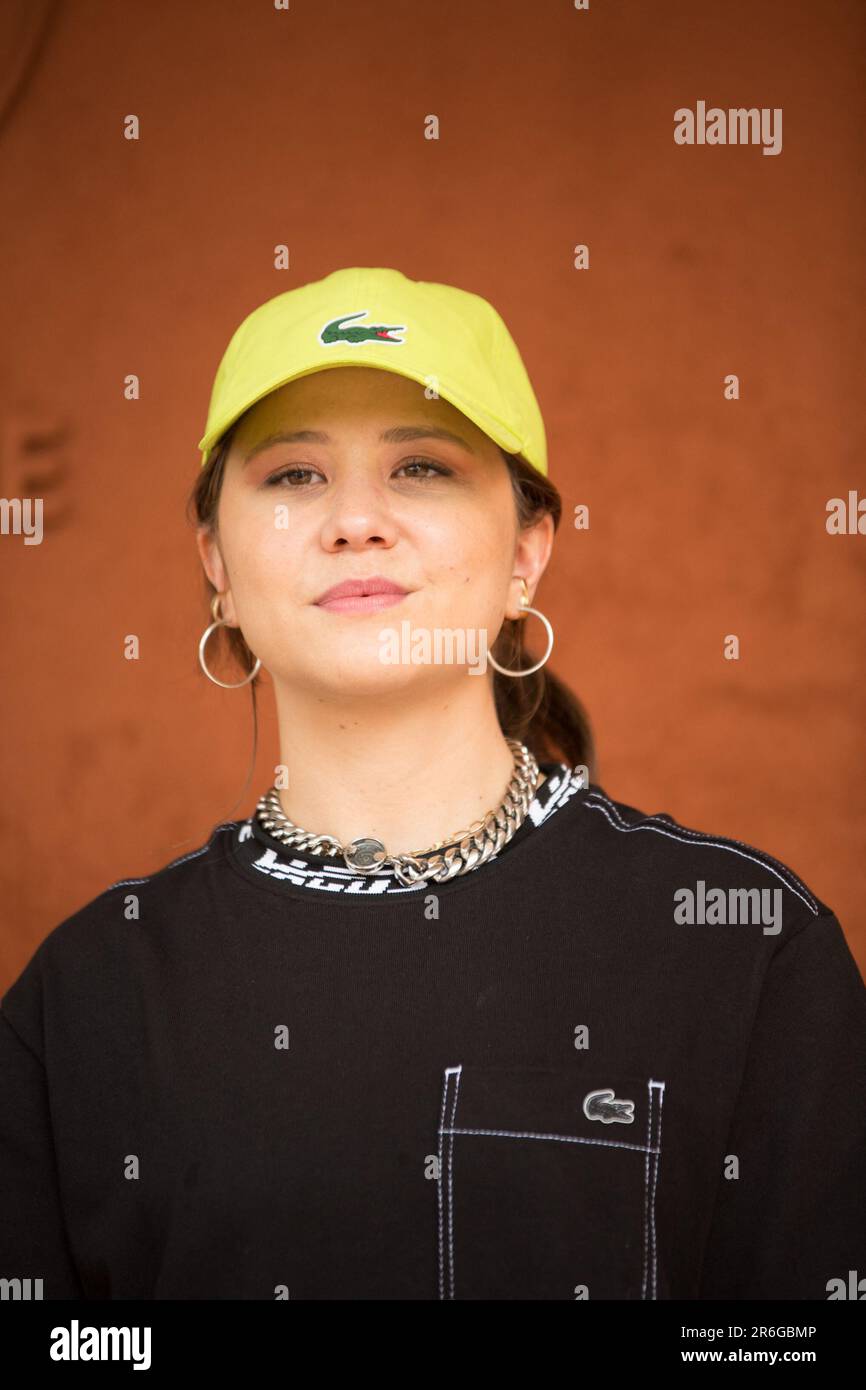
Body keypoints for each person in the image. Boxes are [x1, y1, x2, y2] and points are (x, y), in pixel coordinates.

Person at [1, 266, 864, 1301]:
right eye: (290, 476)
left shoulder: (744, 947)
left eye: (420, 467)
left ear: (525, 555)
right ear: (215, 564)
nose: (356, 520)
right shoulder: (84, 1000)